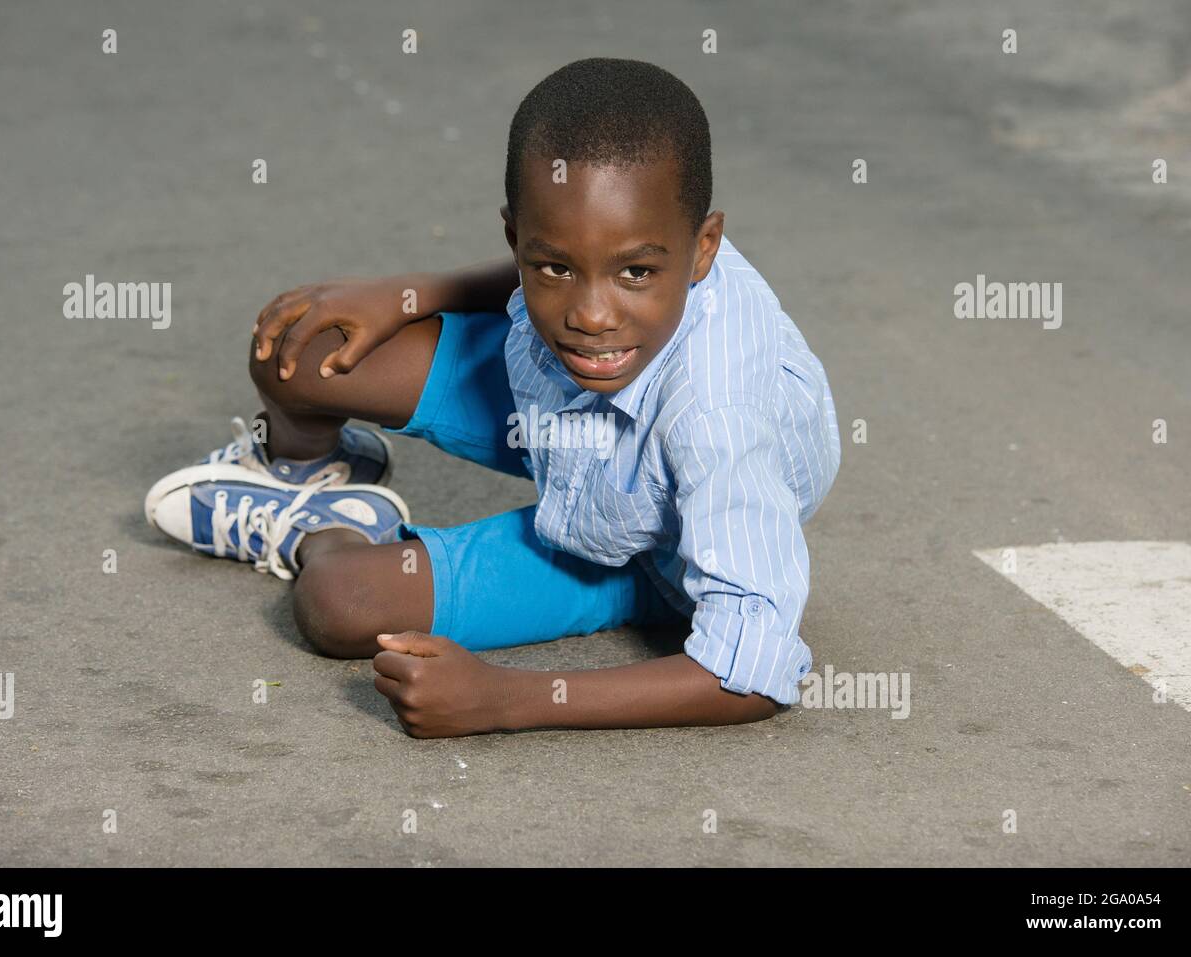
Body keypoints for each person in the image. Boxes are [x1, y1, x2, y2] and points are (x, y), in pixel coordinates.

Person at [145, 57, 840, 738]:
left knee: (338, 602)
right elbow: (572, 253)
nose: (592, 314)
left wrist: (503, 698)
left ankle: (315, 528)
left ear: (704, 248)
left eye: (635, 271)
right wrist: (409, 293)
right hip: (557, 415)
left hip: (650, 541)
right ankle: (310, 479)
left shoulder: (718, 414)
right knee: (308, 347)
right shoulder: (627, 252)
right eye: (554, 267)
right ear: (516, 237)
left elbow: (750, 672)